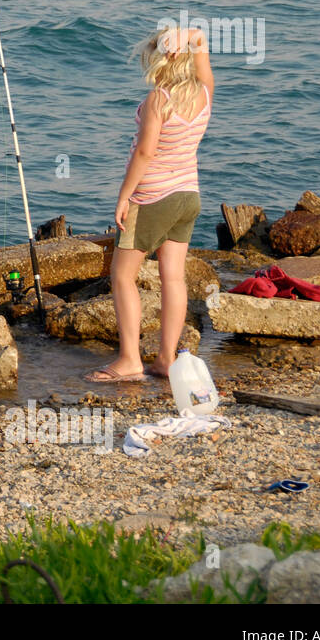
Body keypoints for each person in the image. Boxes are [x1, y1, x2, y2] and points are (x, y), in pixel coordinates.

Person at [87, 25, 213, 383]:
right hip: (189, 196)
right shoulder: (204, 94)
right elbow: (201, 35)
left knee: (122, 275)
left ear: (161, 60)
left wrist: (124, 196)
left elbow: (145, 153)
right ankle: (166, 358)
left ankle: (129, 359)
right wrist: (183, 33)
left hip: (153, 196)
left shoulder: (159, 100)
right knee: (173, 277)